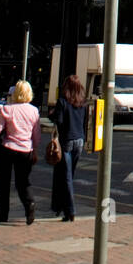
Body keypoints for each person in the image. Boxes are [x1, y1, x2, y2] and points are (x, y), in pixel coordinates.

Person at [0, 79, 41, 224]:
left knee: (4, 182)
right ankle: (29, 205)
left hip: (7, 148)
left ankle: (3, 214)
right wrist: (34, 150)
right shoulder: (34, 111)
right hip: (25, 150)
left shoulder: (7, 109)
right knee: (23, 182)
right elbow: (37, 135)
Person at [50, 75, 86, 222]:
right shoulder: (82, 103)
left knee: (66, 177)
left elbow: (59, 121)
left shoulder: (63, 102)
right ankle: (61, 206)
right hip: (79, 140)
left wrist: (53, 115)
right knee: (68, 175)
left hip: (66, 141)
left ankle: (69, 210)